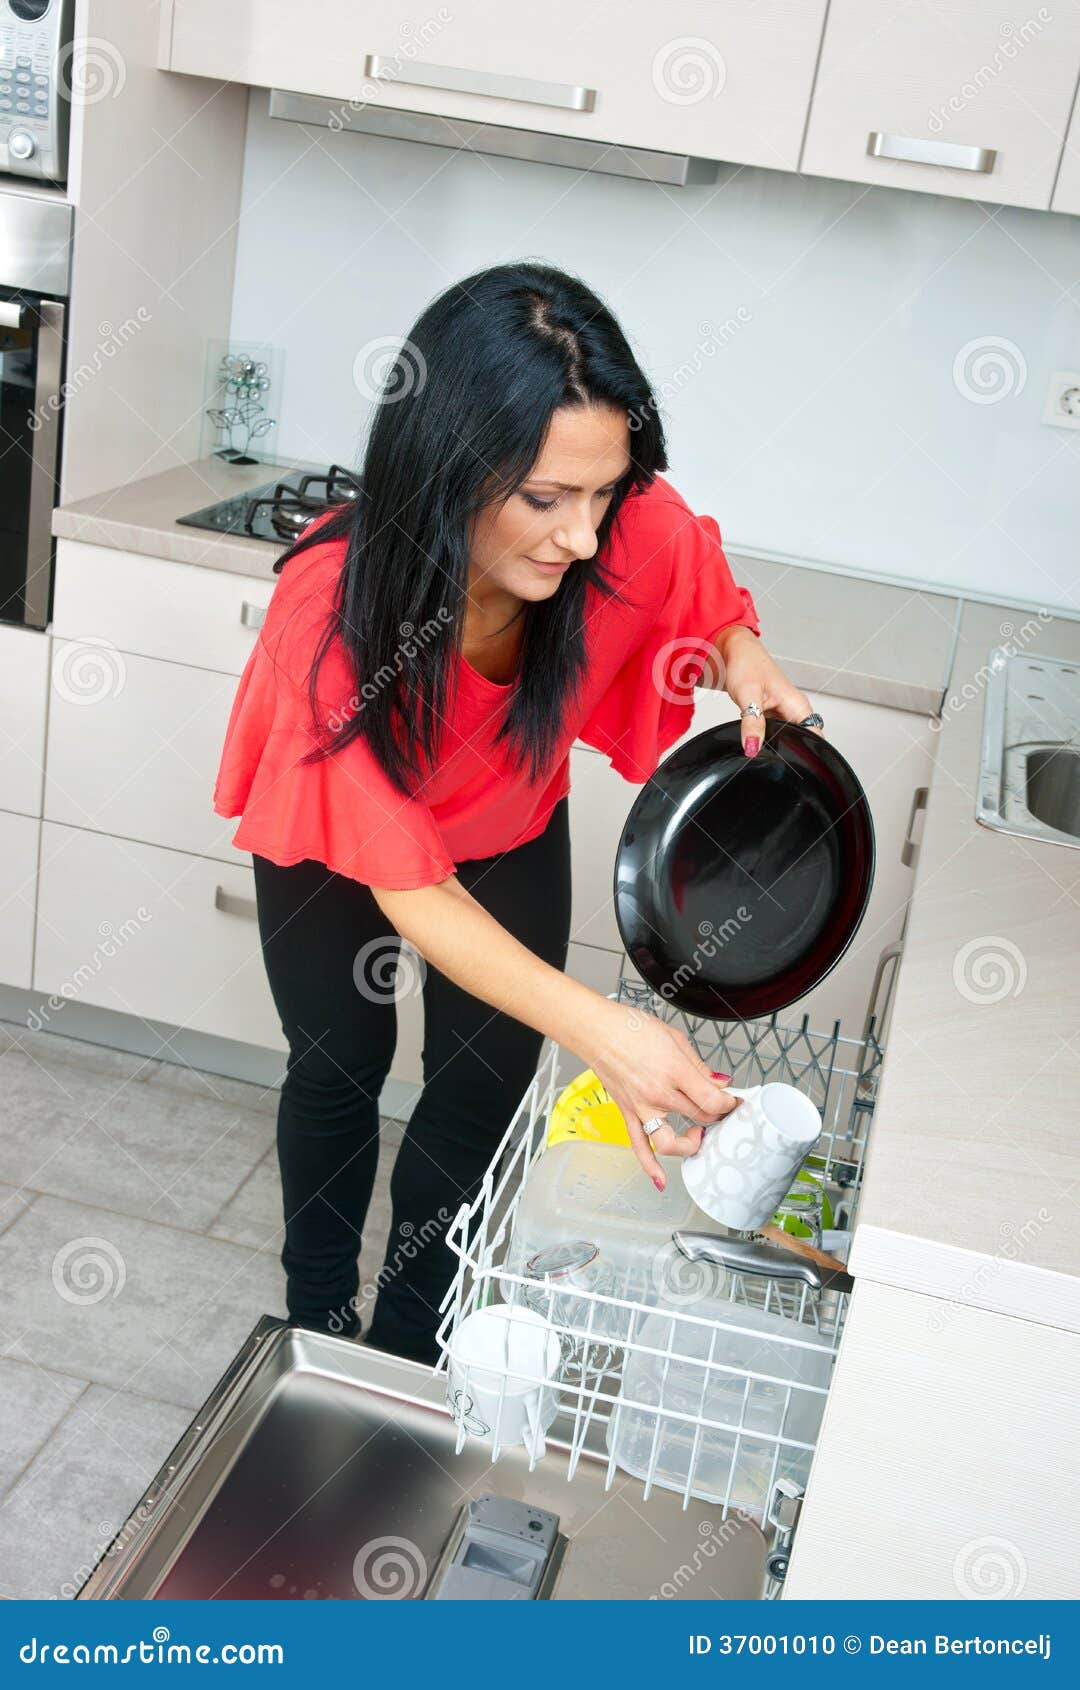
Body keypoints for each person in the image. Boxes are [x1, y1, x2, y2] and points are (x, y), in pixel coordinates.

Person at [212, 261, 819, 1364]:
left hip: (503, 821)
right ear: (447, 468)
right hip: (347, 844)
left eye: (604, 492)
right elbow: (410, 886)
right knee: (338, 1062)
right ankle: (315, 1317)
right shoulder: (329, 625)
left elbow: (693, 566)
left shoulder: (618, 528)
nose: (585, 538)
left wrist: (743, 652)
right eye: (545, 499)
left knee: (480, 1086)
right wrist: (608, 1034)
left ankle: (403, 1346)